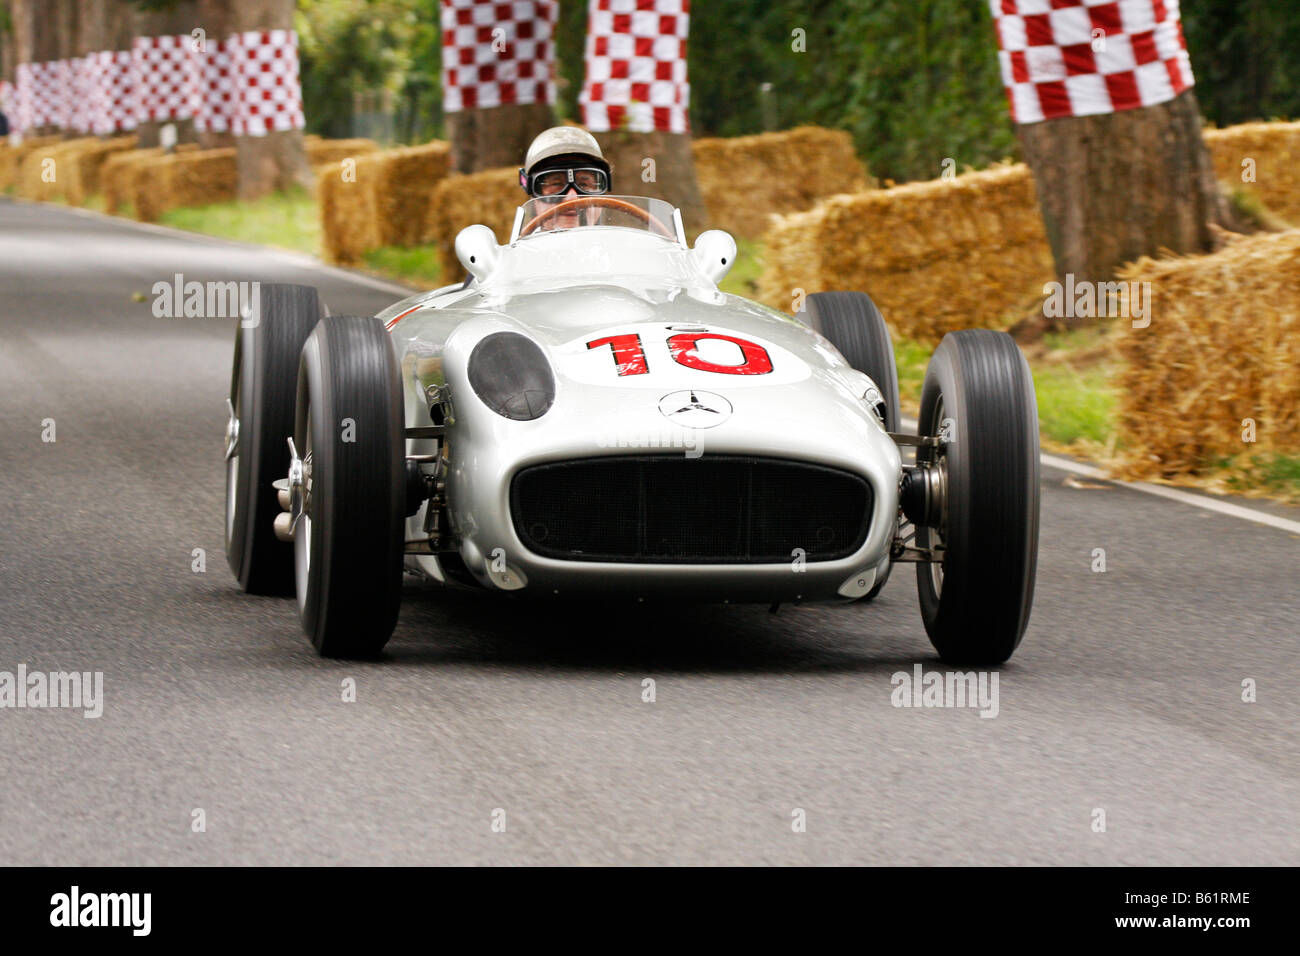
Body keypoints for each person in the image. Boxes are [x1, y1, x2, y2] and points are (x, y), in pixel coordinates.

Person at [518, 127, 612, 232]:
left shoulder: (620, 246)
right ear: (533, 195)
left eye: (584, 185)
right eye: (556, 184)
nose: (572, 198)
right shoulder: (521, 248)